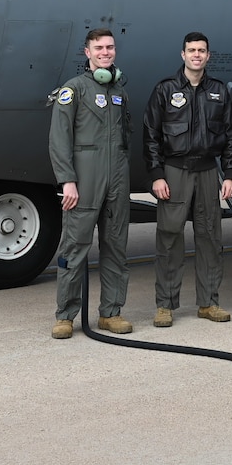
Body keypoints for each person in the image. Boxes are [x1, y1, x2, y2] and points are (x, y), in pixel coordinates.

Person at [143, 32, 232, 327]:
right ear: (182, 55)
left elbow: (230, 136)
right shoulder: (165, 90)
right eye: (191, 50)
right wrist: (157, 175)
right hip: (174, 171)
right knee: (170, 237)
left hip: (208, 171)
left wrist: (231, 174)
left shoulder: (219, 91)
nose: (196, 55)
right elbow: (150, 135)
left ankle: (209, 302)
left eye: (201, 51)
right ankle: (165, 305)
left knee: (210, 237)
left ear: (208, 56)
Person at [50, 29, 133, 339]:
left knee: (116, 247)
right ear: (87, 52)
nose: (105, 52)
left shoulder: (119, 92)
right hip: (84, 181)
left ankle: (111, 313)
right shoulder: (73, 90)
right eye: (99, 47)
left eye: (110, 47)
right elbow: (59, 140)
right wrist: (67, 181)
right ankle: (65, 315)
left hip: (116, 180)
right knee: (73, 248)